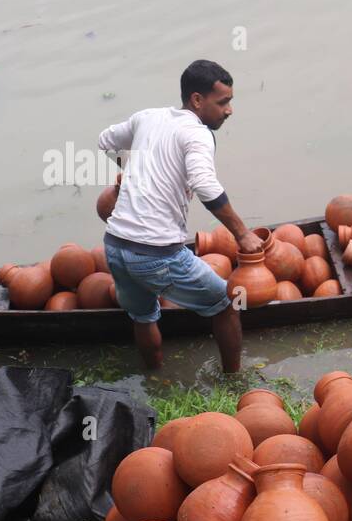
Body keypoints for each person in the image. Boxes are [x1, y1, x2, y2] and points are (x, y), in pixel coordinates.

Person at [97, 59, 262, 372]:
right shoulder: (197, 134)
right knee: (226, 306)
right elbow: (204, 184)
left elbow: (106, 140)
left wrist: (131, 171)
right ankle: (233, 379)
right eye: (223, 102)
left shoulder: (148, 117)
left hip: (115, 246)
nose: (229, 110)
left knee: (143, 316)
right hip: (157, 254)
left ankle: (155, 376)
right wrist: (242, 233)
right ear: (197, 100)